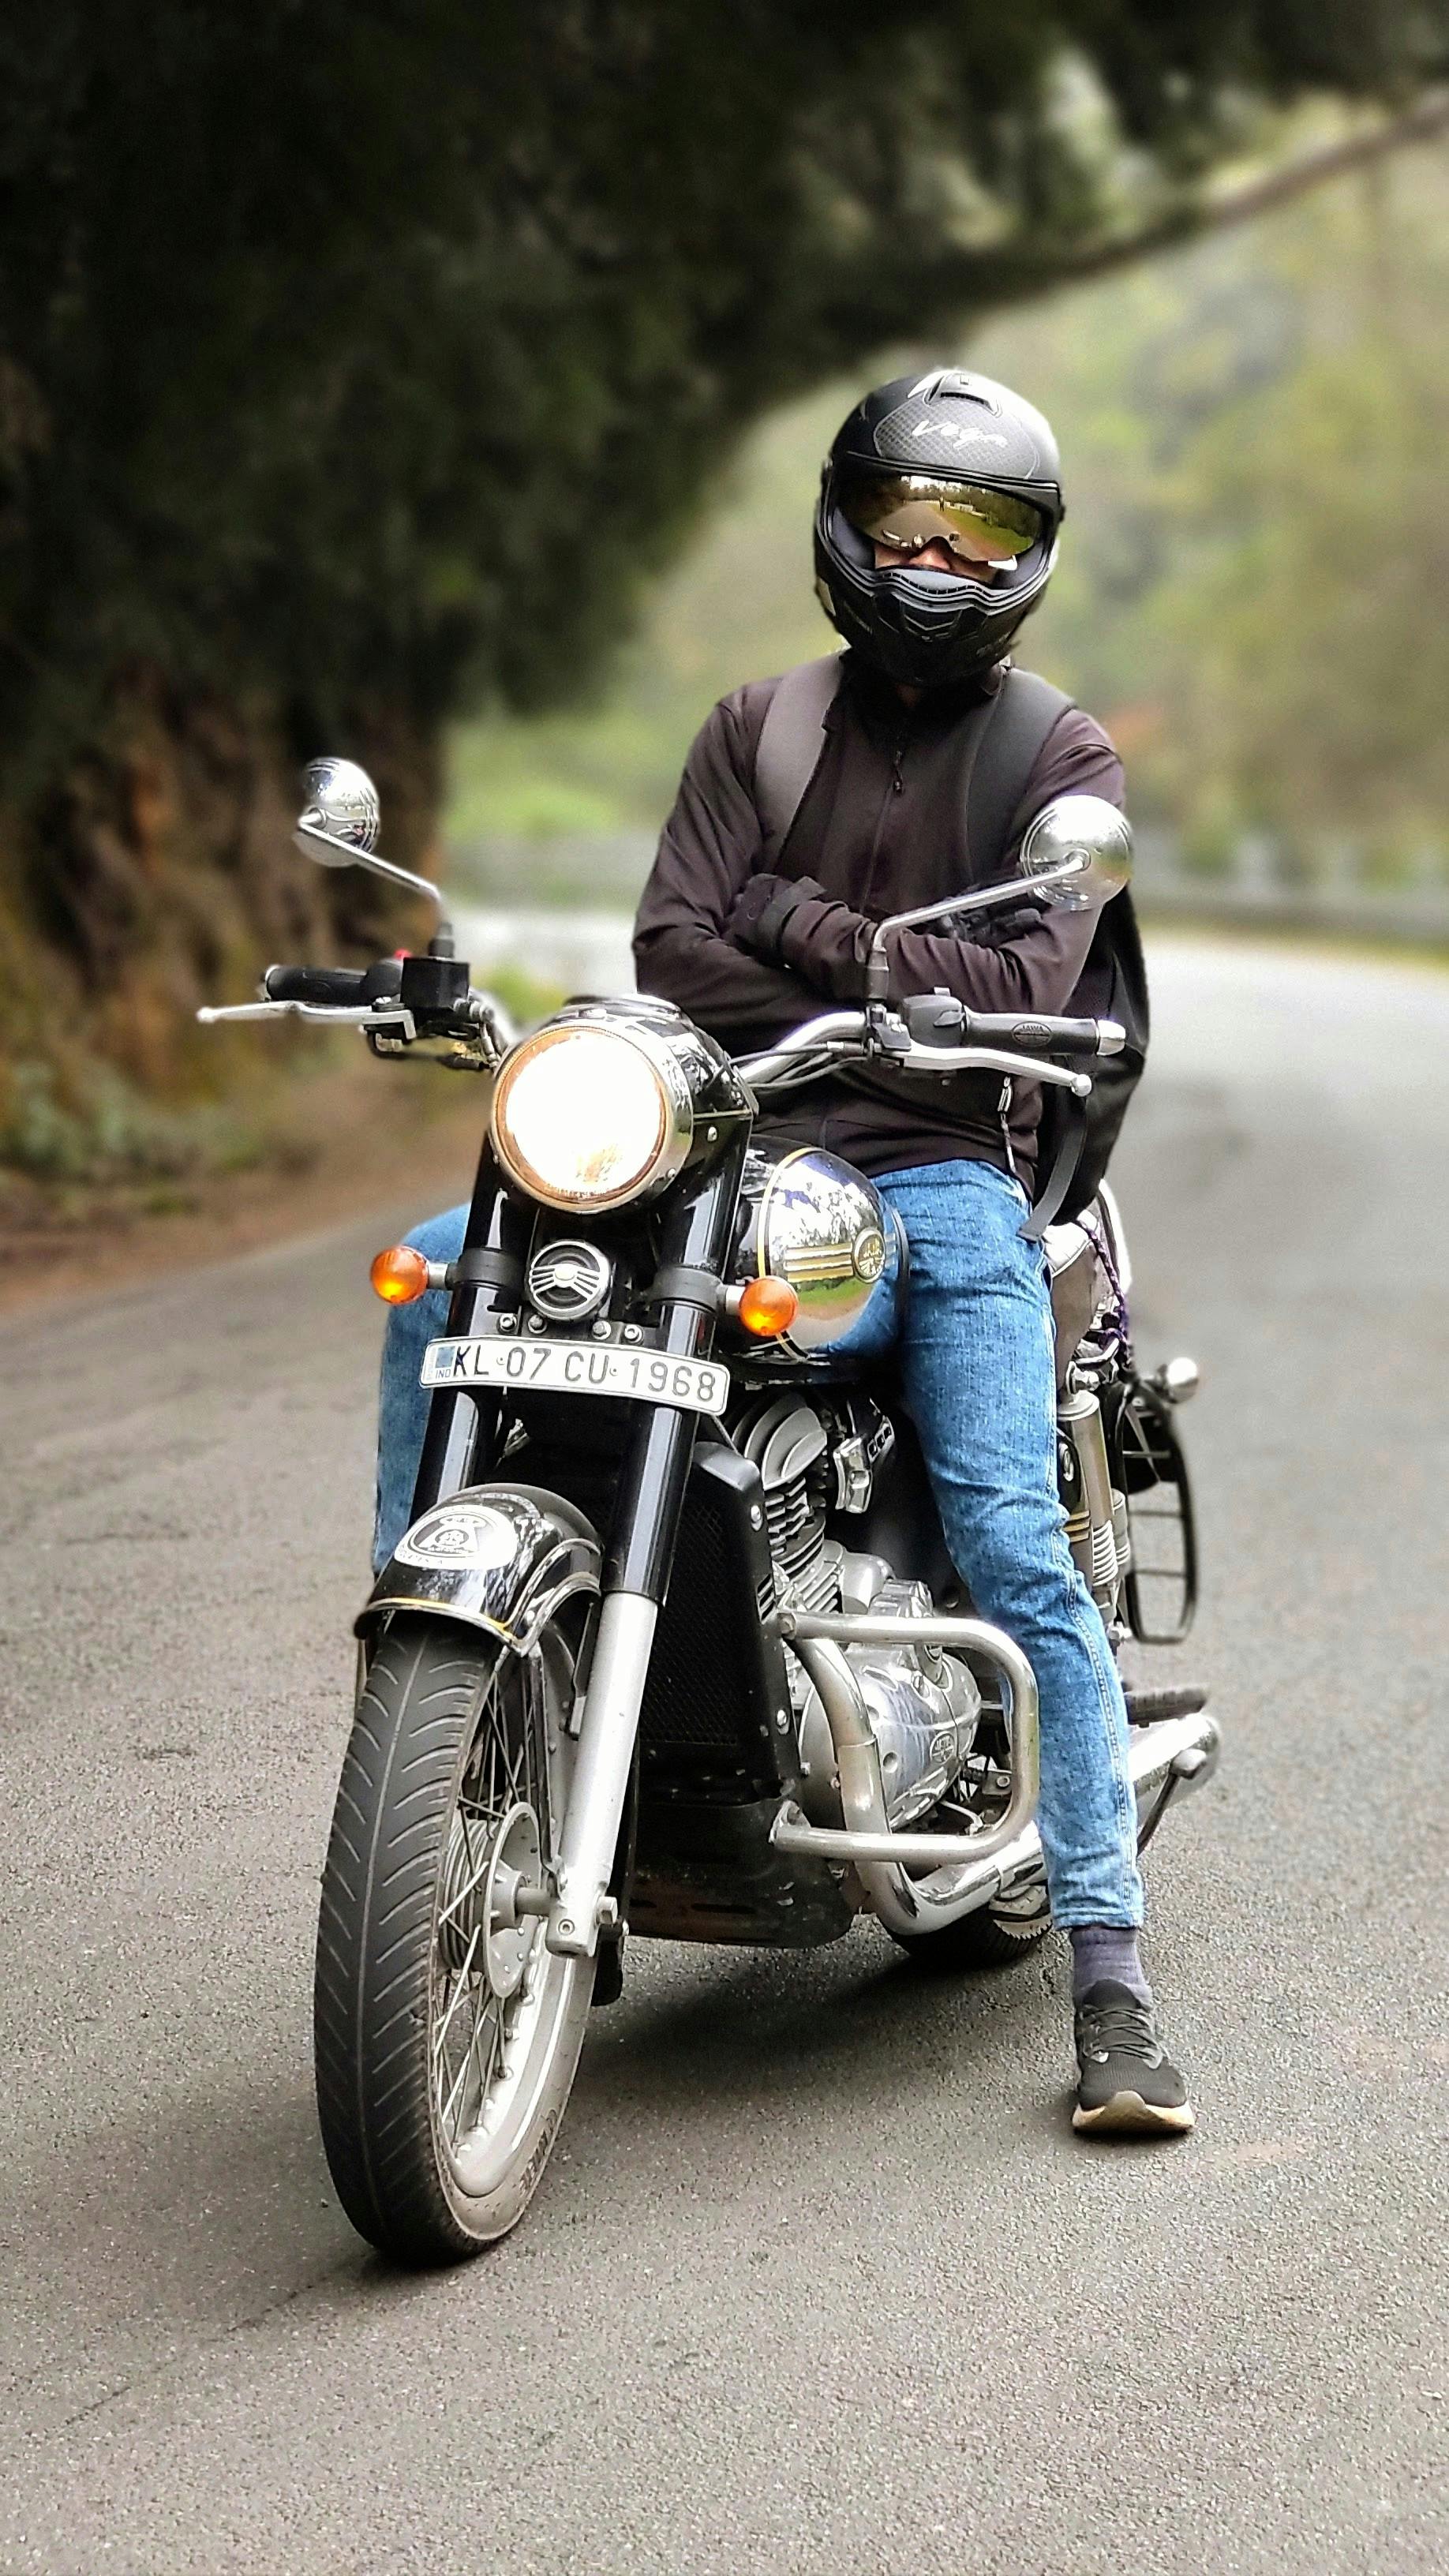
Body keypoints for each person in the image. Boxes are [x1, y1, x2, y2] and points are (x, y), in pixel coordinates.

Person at [376, 366, 1193, 2136]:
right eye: (907, 519)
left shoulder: (1056, 758)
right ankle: (422, 1687)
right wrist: (840, 957)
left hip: (938, 1175)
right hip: (731, 1145)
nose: (933, 559)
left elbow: (1012, 994)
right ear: (843, 522)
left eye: (979, 535)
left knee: (1004, 1529)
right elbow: (679, 956)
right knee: (448, 1267)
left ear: (1028, 562)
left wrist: (802, 925)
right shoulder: (756, 728)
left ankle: (1115, 1979)